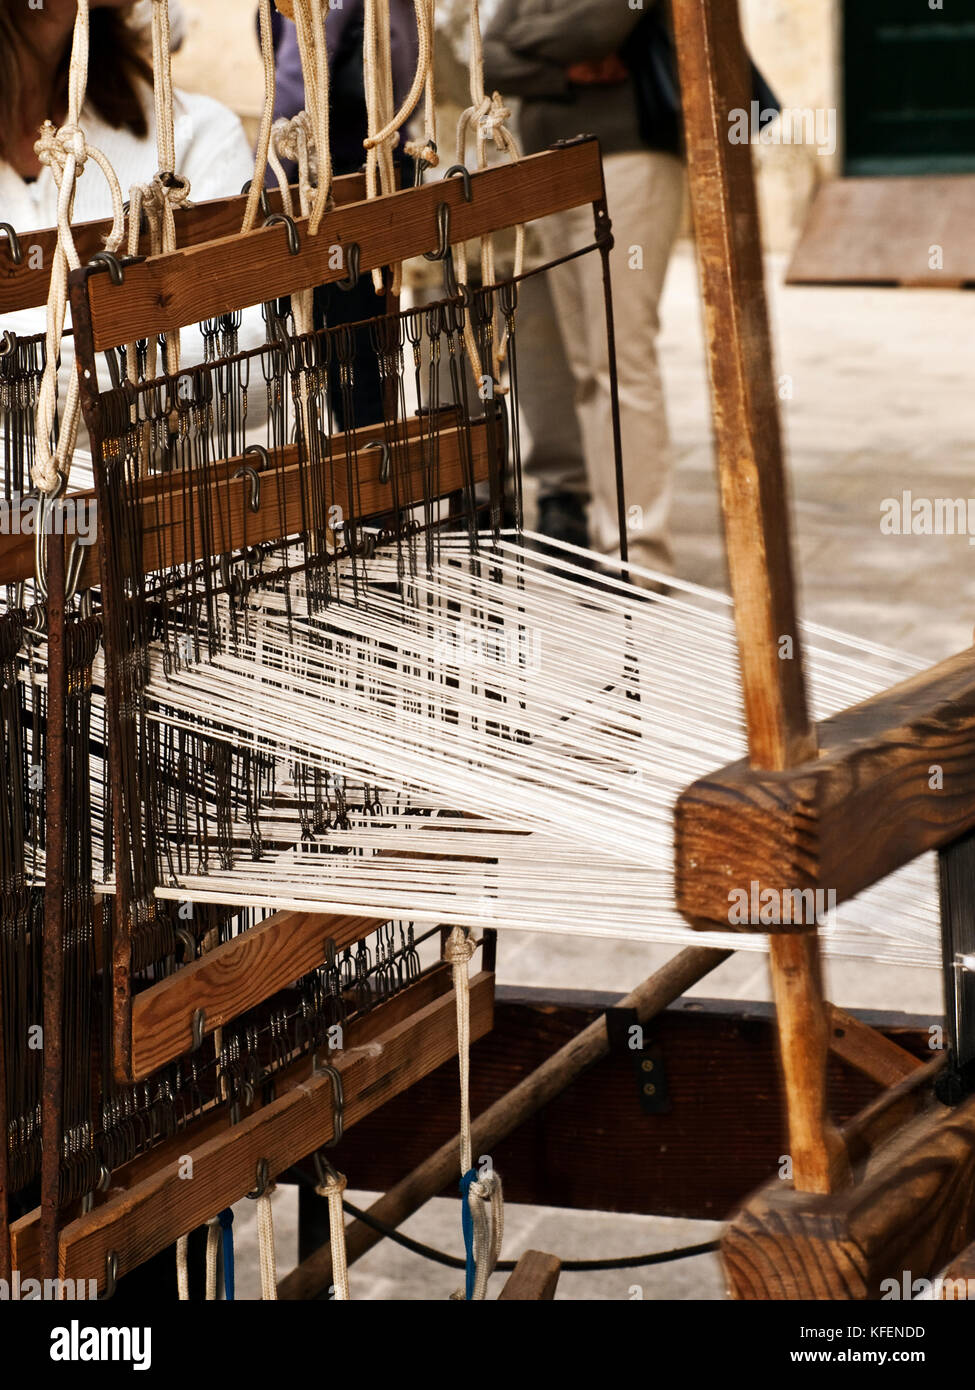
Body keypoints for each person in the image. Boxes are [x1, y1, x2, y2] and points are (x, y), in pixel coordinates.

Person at [483, 0, 685, 581]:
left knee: (621, 360)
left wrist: (530, 41)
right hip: (550, 168)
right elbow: (489, 54)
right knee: (587, 368)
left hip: (627, 160)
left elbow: (602, 24)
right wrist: (563, 69)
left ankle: (641, 553)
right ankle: (609, 542)